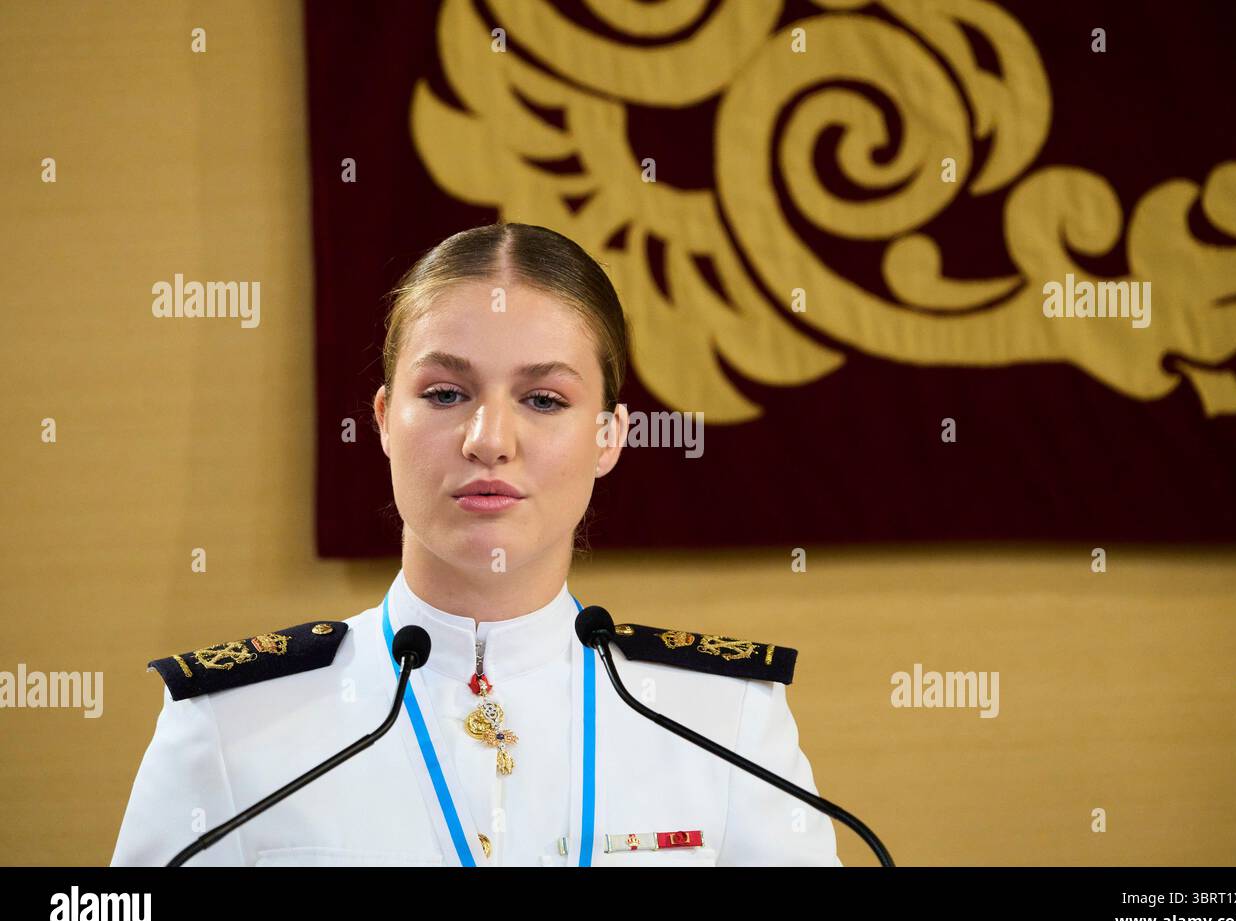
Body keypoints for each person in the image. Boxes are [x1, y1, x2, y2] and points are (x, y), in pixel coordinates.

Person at [110, 222, 842, 867]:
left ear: (609, 437)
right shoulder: (233, 722)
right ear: (384, 420)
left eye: (544, 400)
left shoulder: (721, 717)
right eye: (444, 393)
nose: (489, 440)